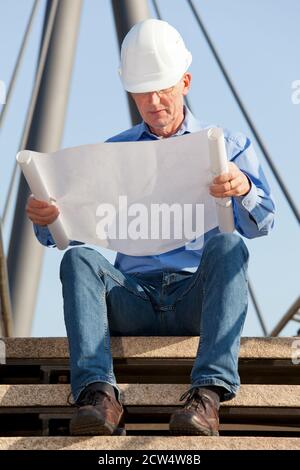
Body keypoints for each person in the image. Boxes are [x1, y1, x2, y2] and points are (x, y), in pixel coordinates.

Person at [26, 19, 275, 436]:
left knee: (229, 246)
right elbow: (72, 231)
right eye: (143, 92)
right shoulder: (114, 153)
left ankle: (208, 395)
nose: (154, 101)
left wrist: (243, 186)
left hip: (194, 294)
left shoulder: (228, 146)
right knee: (80, 258)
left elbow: (264, 221)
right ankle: (98, 394)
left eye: (163, 88)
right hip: (132, 296)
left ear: (186, 82)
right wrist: (49, 221)